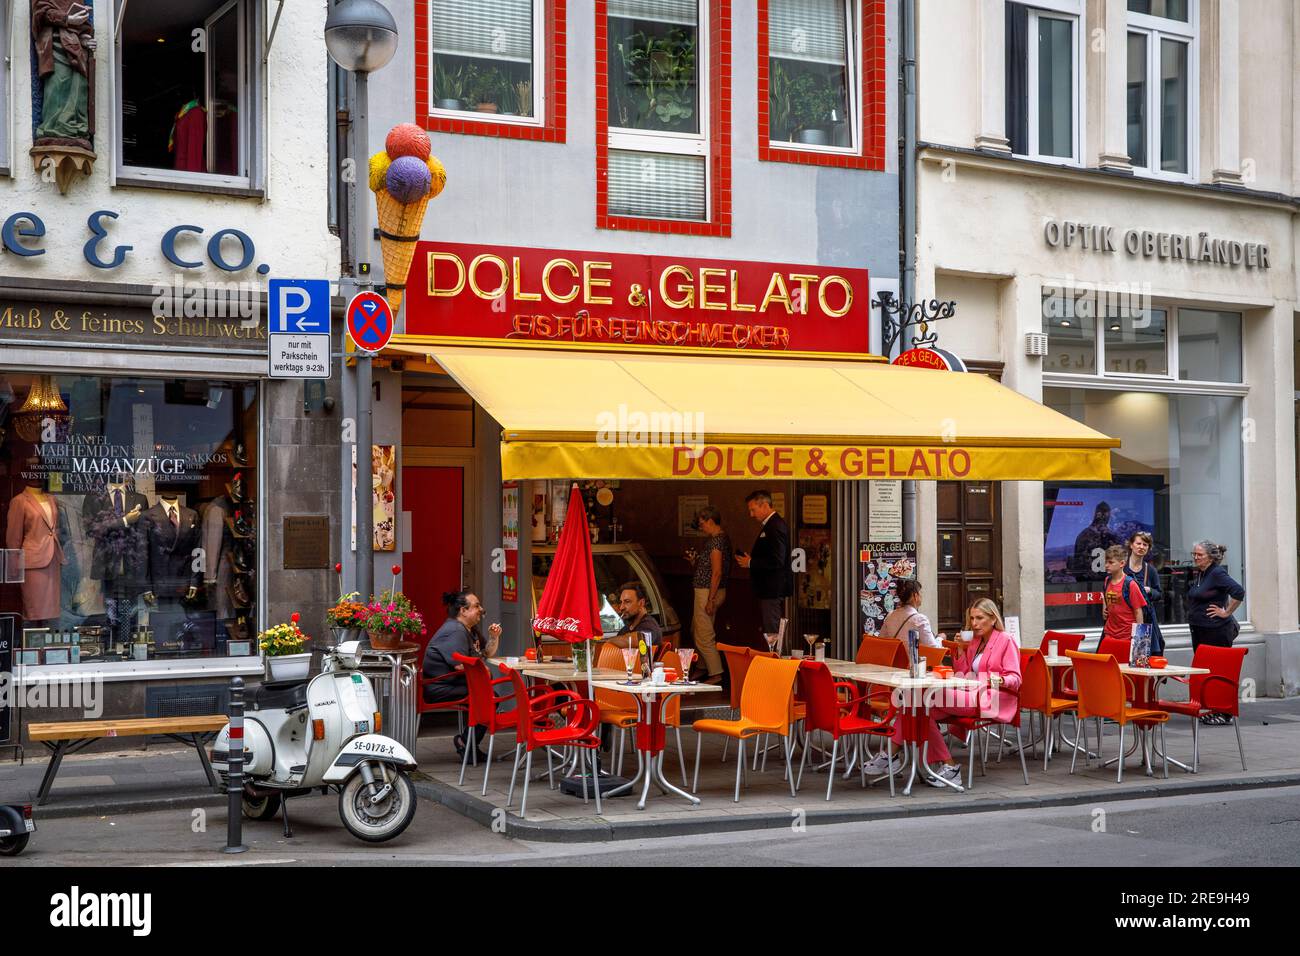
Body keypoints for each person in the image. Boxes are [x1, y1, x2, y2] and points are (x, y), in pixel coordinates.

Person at [870, 598, 1021, 786]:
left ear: (992, 618)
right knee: (914, 709)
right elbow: (965, 672)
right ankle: (947, 766)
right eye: (972, 618)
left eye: (979, 618)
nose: (974, 623)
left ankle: (890, 757)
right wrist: (959, 650)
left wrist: (998, 679)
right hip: (969, 692)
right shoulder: (975, 641)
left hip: (991, 698)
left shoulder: (1006, 640)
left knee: (923, 697)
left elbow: (1016, 679)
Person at [422, 590, 501, 758]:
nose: (481, 609)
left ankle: (468, 744)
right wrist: (483, 672)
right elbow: (459, 665)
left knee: (489, 697)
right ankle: (466, 743)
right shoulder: (456, 631)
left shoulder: (469, 629)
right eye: (476, 606)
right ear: (463, 611)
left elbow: (486, 653)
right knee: (490, 698)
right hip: (440, 687)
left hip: (453, 683)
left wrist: (494, 637)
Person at [1187, 540, 1245, 725]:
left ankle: (1224, 712)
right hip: (1200, 630)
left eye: (1199, 555)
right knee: (1206, 672)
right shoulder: (1201, 573)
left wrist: (1226, 612)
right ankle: (1212, 708)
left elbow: (1239, 591)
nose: (1196, 557)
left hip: (1216, 631)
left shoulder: (1217, 573)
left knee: (1220, 672)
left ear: (1210, 557)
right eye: (1194, 554)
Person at [734, 490, 792, 634]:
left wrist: (751, 563)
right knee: (771, 629)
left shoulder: (775, 525)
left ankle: (776, 656)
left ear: (765, 505)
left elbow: (777, 560)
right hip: (768, 588)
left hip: (772, 589)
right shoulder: (771, 525)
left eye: (753, 510)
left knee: (773, 632)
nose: (751, 515)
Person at [685, 507, 732, 683]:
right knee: (696, 629)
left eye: (702, 524)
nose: (701, 527)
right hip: (708, 590)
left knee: (704, 634)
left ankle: (716, 673)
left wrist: (711, 599)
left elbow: (717, 572)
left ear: (710, 521)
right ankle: (703, 667)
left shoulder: (716, 542)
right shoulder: (721, 539)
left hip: (707, 592)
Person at [1125, 532, 1164, 655]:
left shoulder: (1150, 570)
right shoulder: (1122, 567)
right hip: (1124, 619)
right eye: (1138, 543)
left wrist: (1150, 591)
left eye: (1145, 544)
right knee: (1123, 655)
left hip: (1144, 619)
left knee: (1140, 656)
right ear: (1131, 545)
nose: (1141, 547)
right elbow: (1109, 584)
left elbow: (1159, 593)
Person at [877, 579, 945, 648]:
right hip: (912, 658)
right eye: (921, 593)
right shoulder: (920, 619)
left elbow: (881, 639)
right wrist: (940, 638)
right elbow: (933, 648)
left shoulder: (890, 616)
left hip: (895, 658)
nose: (922, 596)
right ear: (915, 596)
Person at [1101, 544, 1145, 644]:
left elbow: (1138, 611)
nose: (1106, 565)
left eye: (1111, 562)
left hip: (1127, 635)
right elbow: (1105, 594)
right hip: (1109, 633)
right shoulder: (1107, 580)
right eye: (1106, 562)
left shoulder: (1130, 584)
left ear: (1122, 563)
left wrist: (1139, 639)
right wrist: (1104, 607)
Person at [608, 580, 663, 650]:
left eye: (627, 602)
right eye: (621, 602)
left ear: (641, 603)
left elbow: (636, 641)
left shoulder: (649, 625)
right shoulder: (625, 629)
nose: (621, 607)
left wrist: (607, 641)